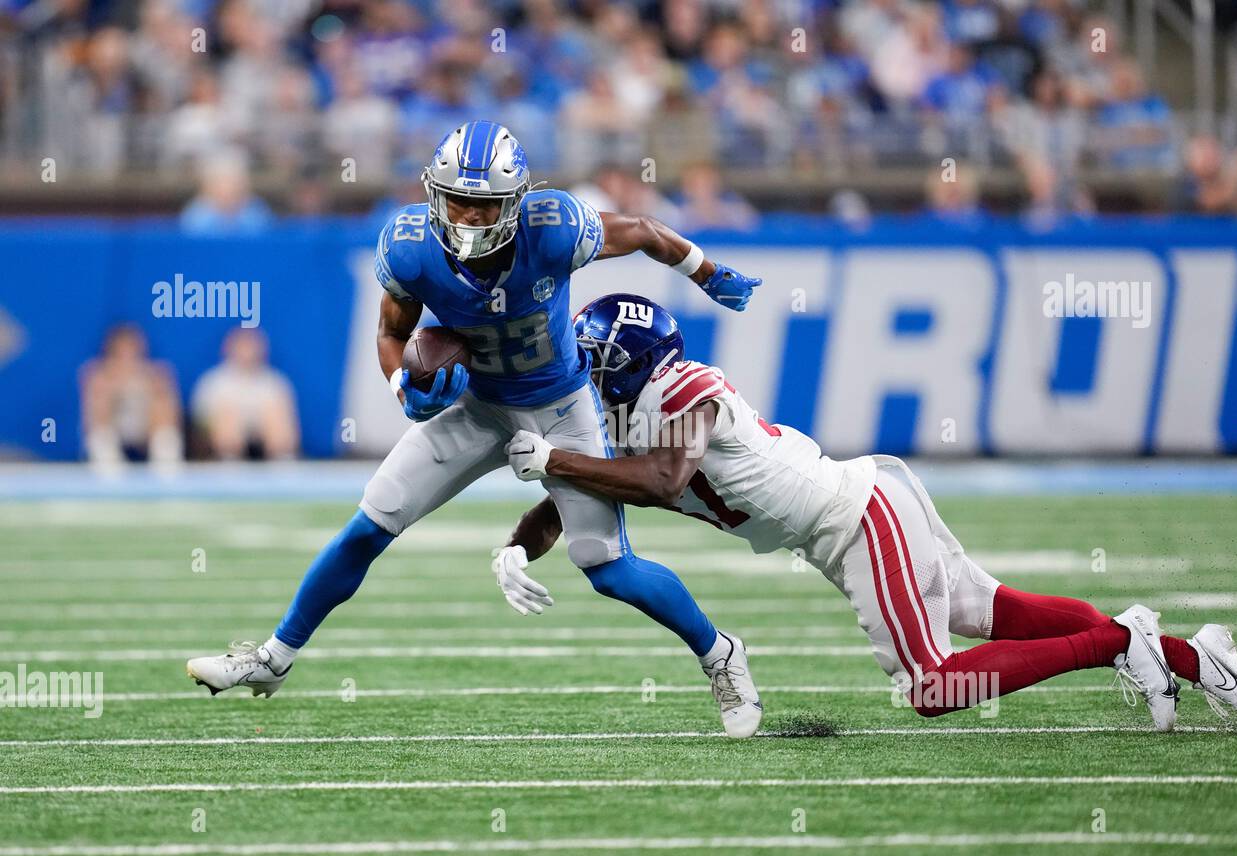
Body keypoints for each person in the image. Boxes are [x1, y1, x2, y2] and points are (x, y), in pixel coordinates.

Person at [185, 122, 767, 737]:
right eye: (455, 198)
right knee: (370, 523)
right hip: (479, 406)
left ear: (514, 202)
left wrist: (708, 273)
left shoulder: (555, 228)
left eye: (483, 203)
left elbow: (645, 231)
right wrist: (401, 387)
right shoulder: (410, 245)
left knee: (606, 566)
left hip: (558, 405)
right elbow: (390, 335)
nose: (465, 215)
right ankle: (273, 660)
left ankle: (720, 654)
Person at [495, 294, 1237, 731]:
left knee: (933, 687)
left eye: (597, 362)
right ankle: (1199, 658)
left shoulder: (681, 388)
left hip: (859, 518)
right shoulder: (626, 422)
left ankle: (1120, 640)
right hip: (853, 517)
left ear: (630, 361)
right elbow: (574, 500)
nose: (588, 377)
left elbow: (663, 479)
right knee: (993, 613)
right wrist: (518, 548)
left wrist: (553, 458)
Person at [79, 324, 182, 474]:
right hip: (113, 428)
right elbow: (96, 417)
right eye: (121, 351)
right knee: (100, 436)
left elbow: (169, 416)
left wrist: (144, 383)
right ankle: (109, 478)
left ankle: (167, 477)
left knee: (165, 433)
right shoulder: (96, 374)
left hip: (145, 429)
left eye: (131, 351)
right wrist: (117, 384)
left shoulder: (157, 373)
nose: (127, 356)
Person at [191, 328, 299, 461]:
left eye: (251, 346)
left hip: (265, 446)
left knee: (275, 415)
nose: (247, 352)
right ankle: (229, 464)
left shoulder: (275, 383)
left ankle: (282, 465)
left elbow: (289, 427)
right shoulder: (213, 382)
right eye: (243, 346)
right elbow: (200, 425)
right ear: (229, 348)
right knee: (227, 416)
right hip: (222, 447)